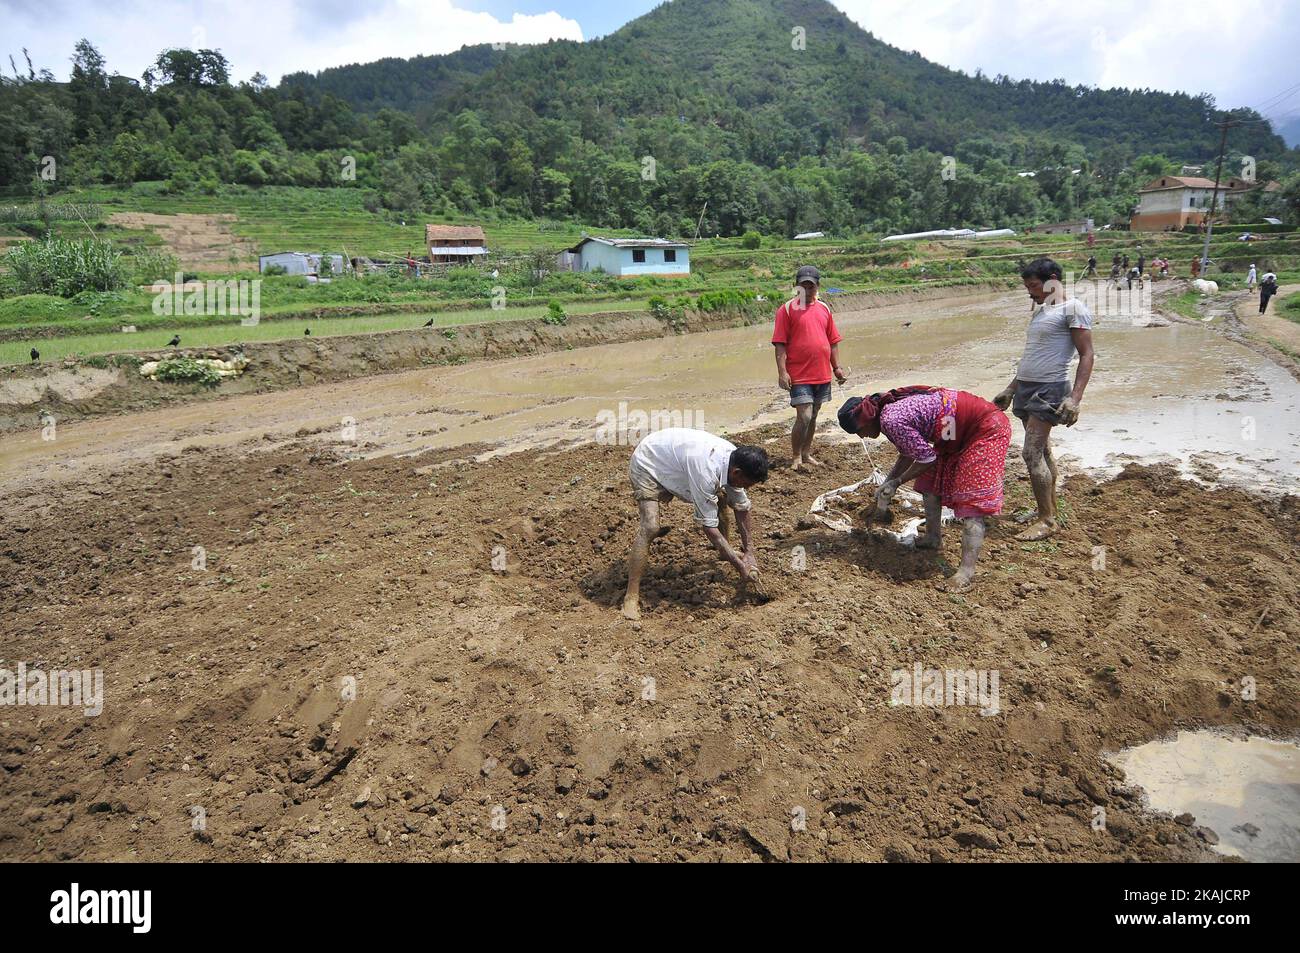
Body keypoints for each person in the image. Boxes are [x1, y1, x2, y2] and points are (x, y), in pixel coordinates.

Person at [837, 386, 1011, 591]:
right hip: (951, 427)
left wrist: (898, 481)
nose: (861, 437)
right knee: (930, 484)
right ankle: (932, 538)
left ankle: (966, 573)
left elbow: (926, 457)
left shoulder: (890, 420)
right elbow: (909, 453)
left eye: (858, 431)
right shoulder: (888, 415)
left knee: (972, 504)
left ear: (866, 420)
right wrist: (889, 481)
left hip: (985, 427)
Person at [991, 258, 1096, 542]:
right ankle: (1048, 510)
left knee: (1031, 453)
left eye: (1034, 286)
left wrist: (1074, 399)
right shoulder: (1041, 312)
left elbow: (1087, 355)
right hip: (1026, 388)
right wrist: (1011, 389)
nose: (1030, 292)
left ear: (1052, 279)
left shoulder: (1073, 309)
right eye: (1027, 287)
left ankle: (1047, 520)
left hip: (1049, 389)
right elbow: (1031, 356)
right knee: (1043, 451)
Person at [621, 428, 769, 620]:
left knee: (721, 497)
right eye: (747, 484)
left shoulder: (733, 458)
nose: (747, 488)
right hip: (648, 462)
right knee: (650, 526)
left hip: (673, 460)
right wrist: (740, 567)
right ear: (737, 472)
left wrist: (749, 552)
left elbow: (741, 507)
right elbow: (708, 527)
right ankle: (631, 596)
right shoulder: (706, 470)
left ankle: (725, 552)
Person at [772, 265, 848, 471]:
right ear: (796, 287)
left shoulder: (824, 308)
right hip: (799, 374)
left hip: (822, 373)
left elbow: (833, 341)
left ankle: (806, 452)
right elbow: (780, 343)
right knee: (804, 416)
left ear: (817, 287)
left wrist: (837, 368)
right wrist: (782, 372)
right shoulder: (786, 310)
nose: (807, 290)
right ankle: (796, 455)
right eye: (803, 286)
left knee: (813, 415)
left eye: (811, 287)